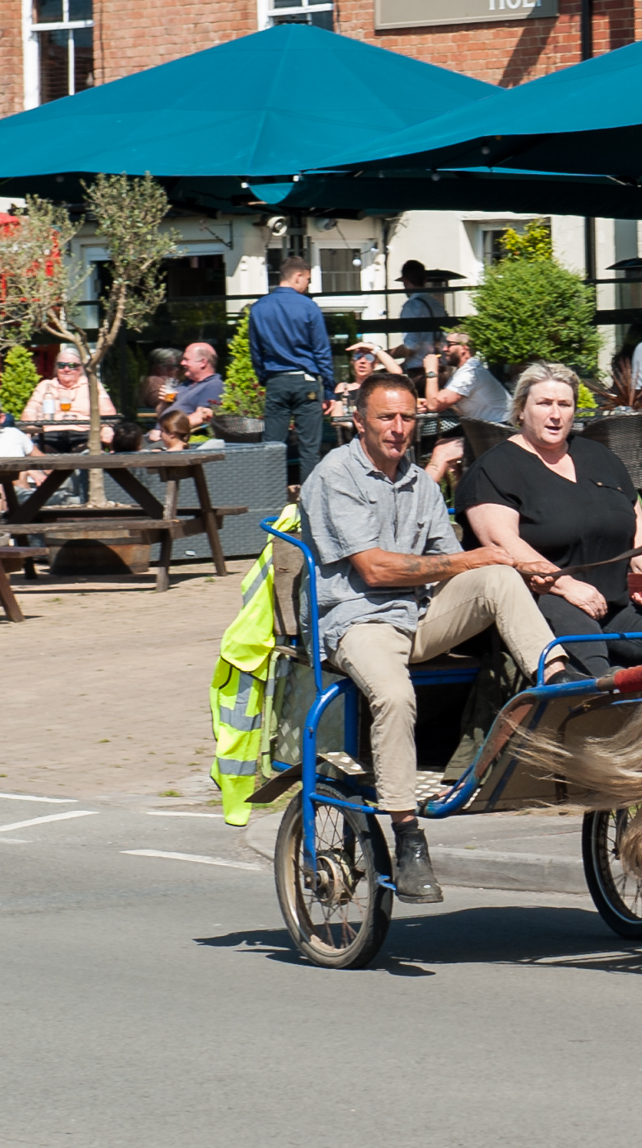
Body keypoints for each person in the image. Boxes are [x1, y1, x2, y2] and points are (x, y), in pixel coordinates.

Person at [299, 371, 570, 904]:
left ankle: (556, 681)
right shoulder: (336, 475)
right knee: (396, 695)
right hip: (359, 621)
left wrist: (515, 565)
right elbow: (374, 571)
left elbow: (450, 566)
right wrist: (472, 557)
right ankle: (407, 835)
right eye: (386, 418)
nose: (399, 429)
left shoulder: (421, 482)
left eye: (407, 418)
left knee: (497, 577)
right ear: (359, 421)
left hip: (417, 617)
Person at [457, 362, 642, 681]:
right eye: (544, 403)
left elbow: (635, 517)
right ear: (521, 410)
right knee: (594, 683)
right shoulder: (495, 469)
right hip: (544, 602)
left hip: (618, 599)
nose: (555, 414)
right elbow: (503, 544)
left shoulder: (599, 456)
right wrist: (567, 586)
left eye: (564, 404)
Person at [248, 255, 333, 480]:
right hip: (306, 381)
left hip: (277, 380)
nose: (307, 285)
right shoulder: (309, 307)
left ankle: (271, 500)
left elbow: (256, 352)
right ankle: (310, 504)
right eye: (307, 279)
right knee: (309, 449)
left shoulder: (258, 308)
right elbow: (321, 351)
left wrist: (265, 377)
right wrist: (330, 388)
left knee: (272, 448)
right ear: (297, 276)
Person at [409, 331, 510, 487]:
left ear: (464, 348)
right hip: (488, 432)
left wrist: (431, 372)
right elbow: (439, 399)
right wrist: (427, 403)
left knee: (443, 450)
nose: (444, 349)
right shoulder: (466, 371)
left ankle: (418, 497)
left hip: (498, 435)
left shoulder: (471, 372)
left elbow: (435, 405)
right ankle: (463, 504)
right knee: (446, 453)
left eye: (449, 344)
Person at [25, 346, 116, 454]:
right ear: (56, 368)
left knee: (91, 453)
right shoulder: (45, 386)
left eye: (72, 366)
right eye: (61, 365)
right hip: (50, 437)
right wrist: (30, 430)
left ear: (81, 368)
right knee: (38, 455)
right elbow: (29, 412)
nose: (66, 369)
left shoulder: (91, 385)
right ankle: (52, 471)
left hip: (84, 436)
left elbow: (108, 412)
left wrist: (106, 427)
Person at [153, 341, 224, 430]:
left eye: (186, 359)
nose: (182, 363)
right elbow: (160, 415)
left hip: (171, 438)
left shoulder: (213, 385)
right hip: (160, 435)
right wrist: (164, 403)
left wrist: (165, 431)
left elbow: (200, 417)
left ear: (203, 362)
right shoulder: (185, 385)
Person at [396, 260, 446, 370]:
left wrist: (382, 354)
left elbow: (411, 346)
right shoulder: (436, 304)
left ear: (405, 281)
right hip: (440, 366)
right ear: (425, 280)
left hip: (419, 370)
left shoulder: (411, 306)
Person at [329, 342, 380, 418]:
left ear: (375, 363)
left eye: (369, 357)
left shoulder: (380, 387)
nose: (362, 361)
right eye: (358, 357)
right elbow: (336, 419)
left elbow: (397, 372)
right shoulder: (344, 387)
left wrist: (375, 348)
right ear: (353, 362)